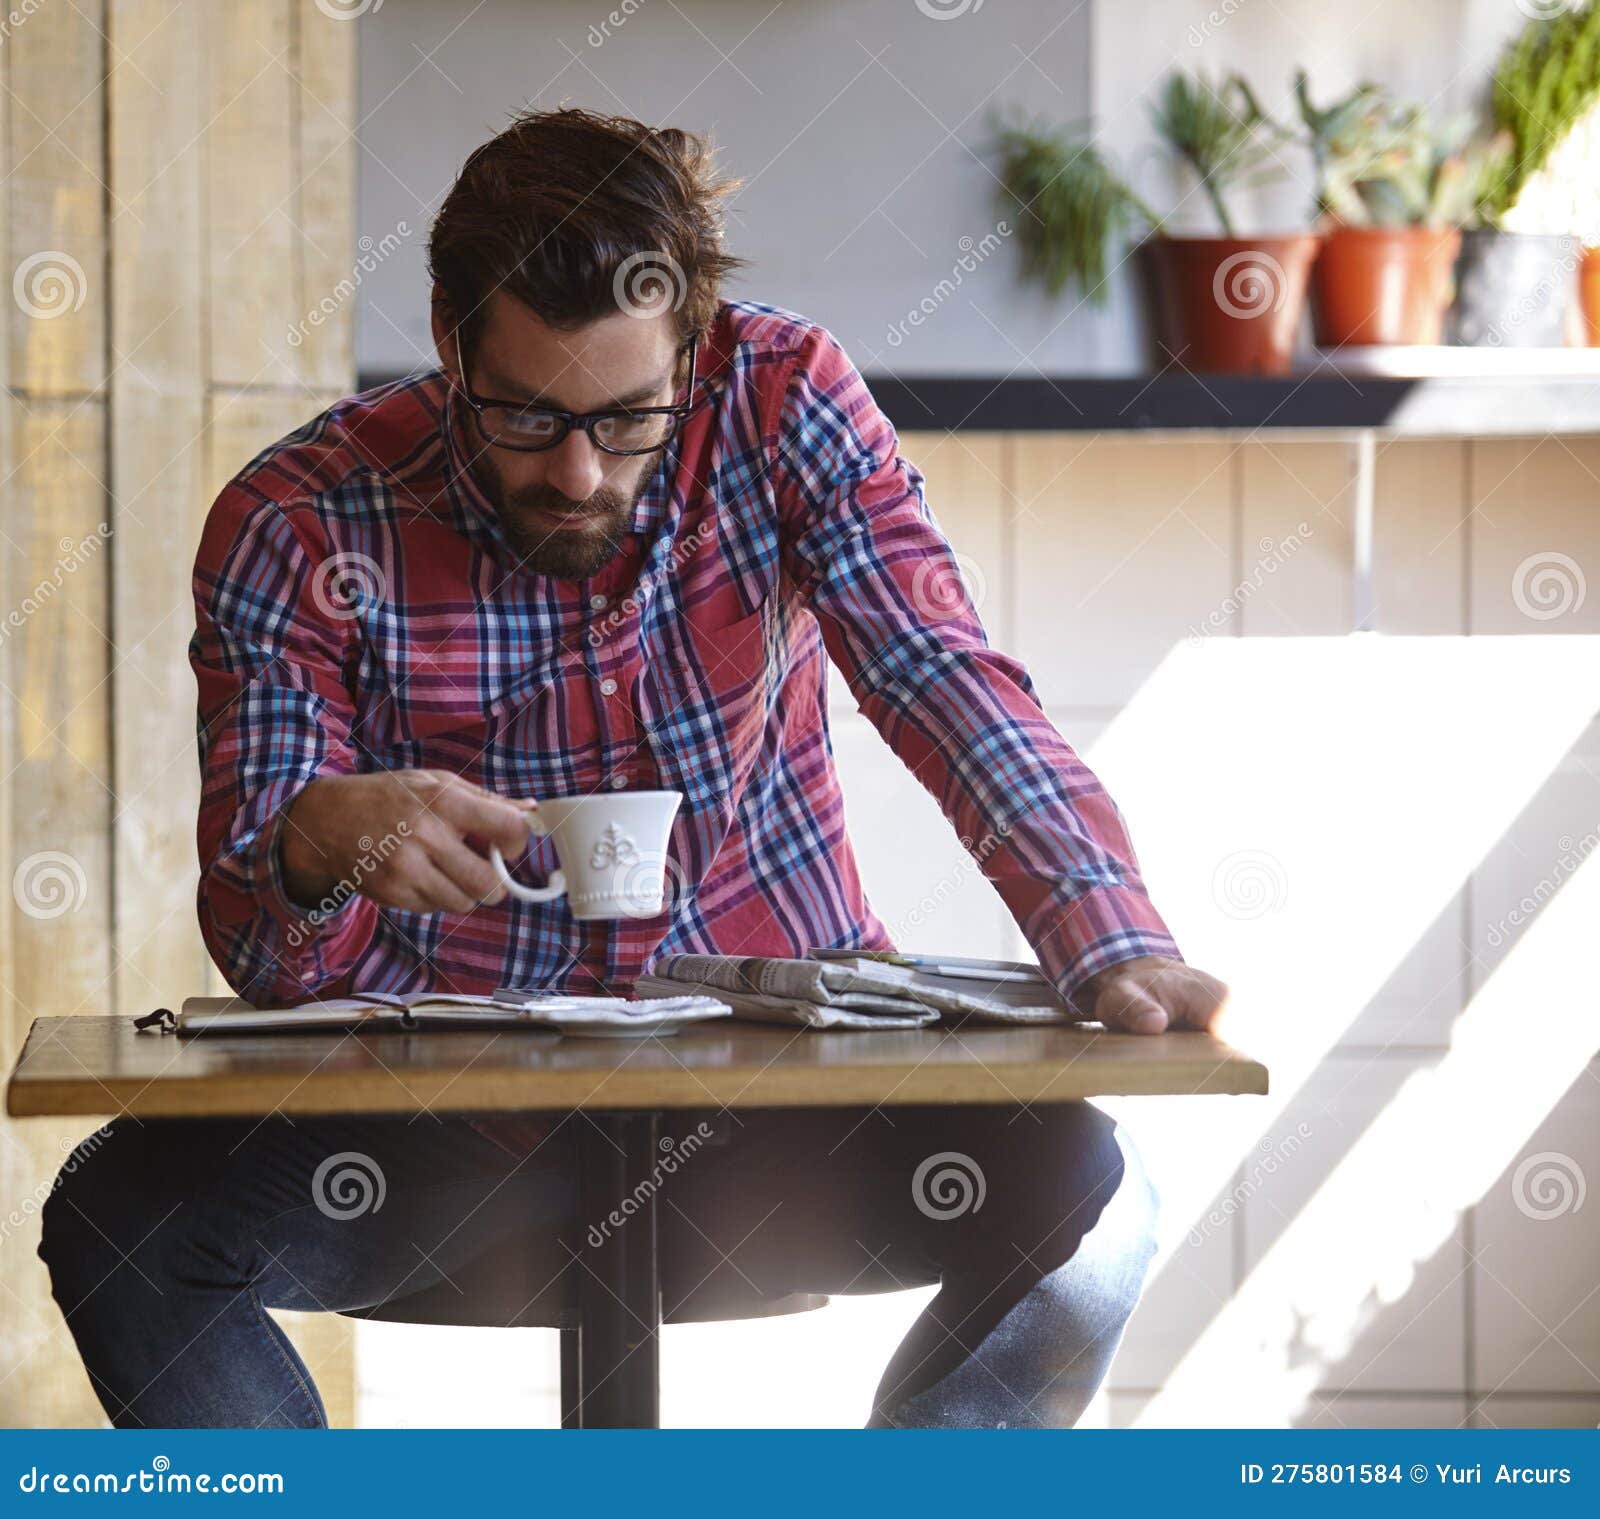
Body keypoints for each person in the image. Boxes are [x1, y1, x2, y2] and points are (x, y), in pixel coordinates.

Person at [39, 107, 1227, 1429]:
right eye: (527, 417)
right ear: (447, 338)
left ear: (697, 346)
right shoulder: (297, 520)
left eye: (626, 418)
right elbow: (270, 968)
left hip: (772, 1129)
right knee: (120, 1219)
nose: (577, 472)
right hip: (446, 1148)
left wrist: (1110, 934)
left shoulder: (785, 405)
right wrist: (316, 840)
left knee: (1097, 1210)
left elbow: (942, 677)